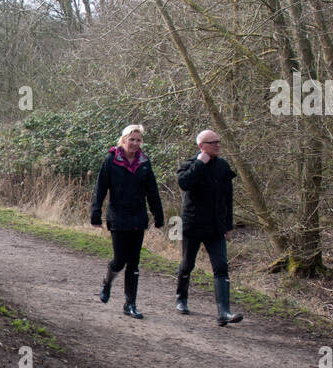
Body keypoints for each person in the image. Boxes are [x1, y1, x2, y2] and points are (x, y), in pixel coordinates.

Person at [91, 124, 164, 318]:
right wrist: (95, 214)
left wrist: (158, 215)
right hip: (118, 216)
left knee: (134, 262)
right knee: (120, 260)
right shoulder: (111, 160)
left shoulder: (144, 163)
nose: (135, 143)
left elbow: (153, 191)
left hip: (138, 217)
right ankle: (107, 281)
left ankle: (130, 304)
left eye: (138, 140)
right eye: (131, 139)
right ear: (123, 140)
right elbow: (100, 189)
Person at [175, 130, 244, 326]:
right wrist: (200, 163)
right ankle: (181, 298)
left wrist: (228, 224)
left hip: (216, 227)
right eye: (212, 142)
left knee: (221, 267)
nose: (217, 145)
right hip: (193, 224)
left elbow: (228, 198)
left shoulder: (223, 166)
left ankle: (224, 312)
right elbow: (184, 183)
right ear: (201, 146)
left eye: (218, 142)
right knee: (188, 264)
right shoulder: (190, 165)